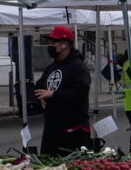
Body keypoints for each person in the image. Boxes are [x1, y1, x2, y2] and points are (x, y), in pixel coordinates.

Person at [33, 24, 95, 156]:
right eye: (50, 42)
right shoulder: (51, 67)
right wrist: (41, 96)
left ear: (65, 44)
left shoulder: (78, 67)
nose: (51, 45)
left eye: (54, 41)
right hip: (51, 129)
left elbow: (80, 94)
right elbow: (39, 86)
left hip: (73, 130)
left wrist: (54, 94)